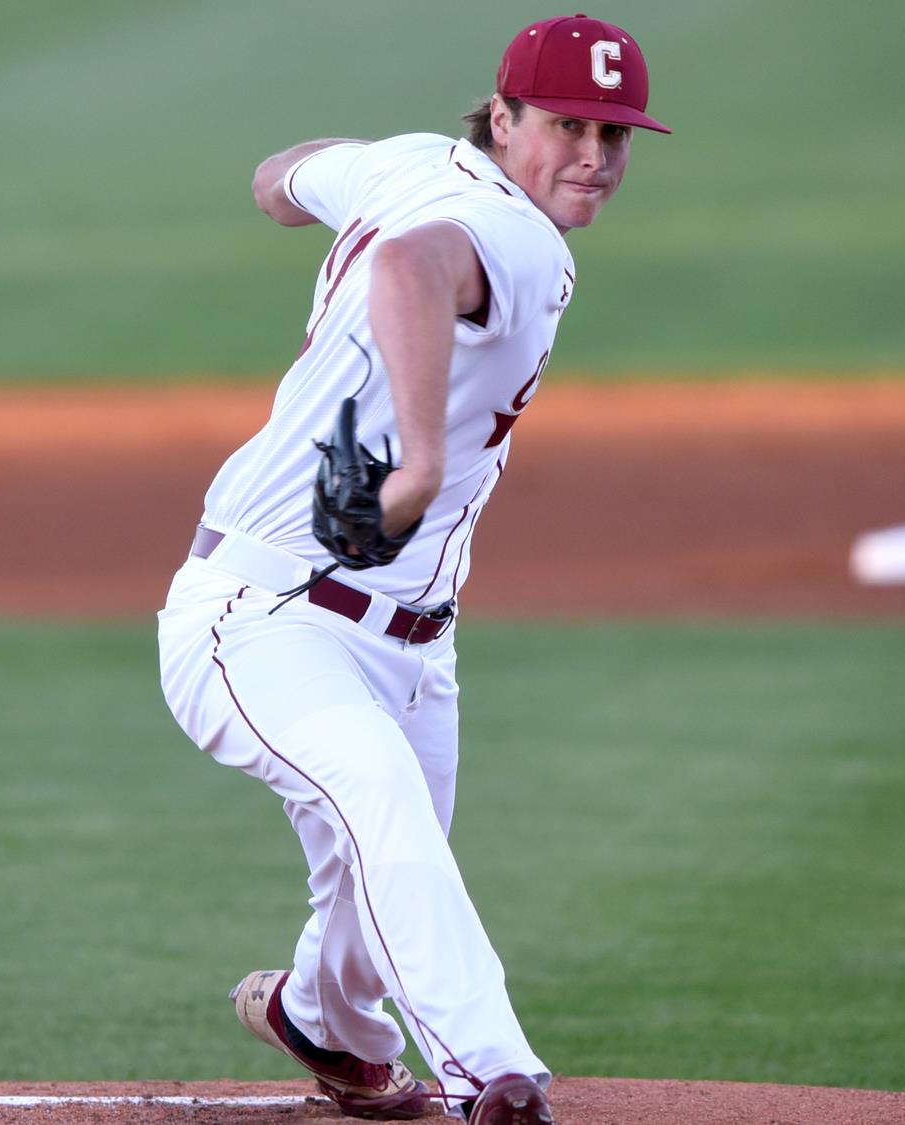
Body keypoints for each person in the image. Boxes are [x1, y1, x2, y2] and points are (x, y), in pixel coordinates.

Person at [156, 14, 670, 1125]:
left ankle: (321, 1022)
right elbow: (405, 264)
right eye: (566, 126)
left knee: (370, 877)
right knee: (377, 801)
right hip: (264, 615)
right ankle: (492, 1071)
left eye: (614, 134)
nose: (590, 156)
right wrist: (422, 458)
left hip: (410, 638)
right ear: (502, 117)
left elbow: (277, 180)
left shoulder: (407, 163)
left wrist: (308, 188)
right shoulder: (516, 239)